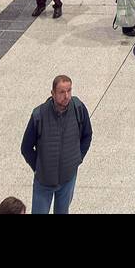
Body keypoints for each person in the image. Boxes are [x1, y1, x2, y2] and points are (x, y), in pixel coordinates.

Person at [21, 75, 92, 215]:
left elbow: (87, 135)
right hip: (44, 182)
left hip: (68, 178)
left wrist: (78, 158)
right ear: (52, 93)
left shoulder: (78, 108)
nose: (66, 96)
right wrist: (39, 167)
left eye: (69, 91)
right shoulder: (39, 115)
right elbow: (26, 147)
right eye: (61, 92)